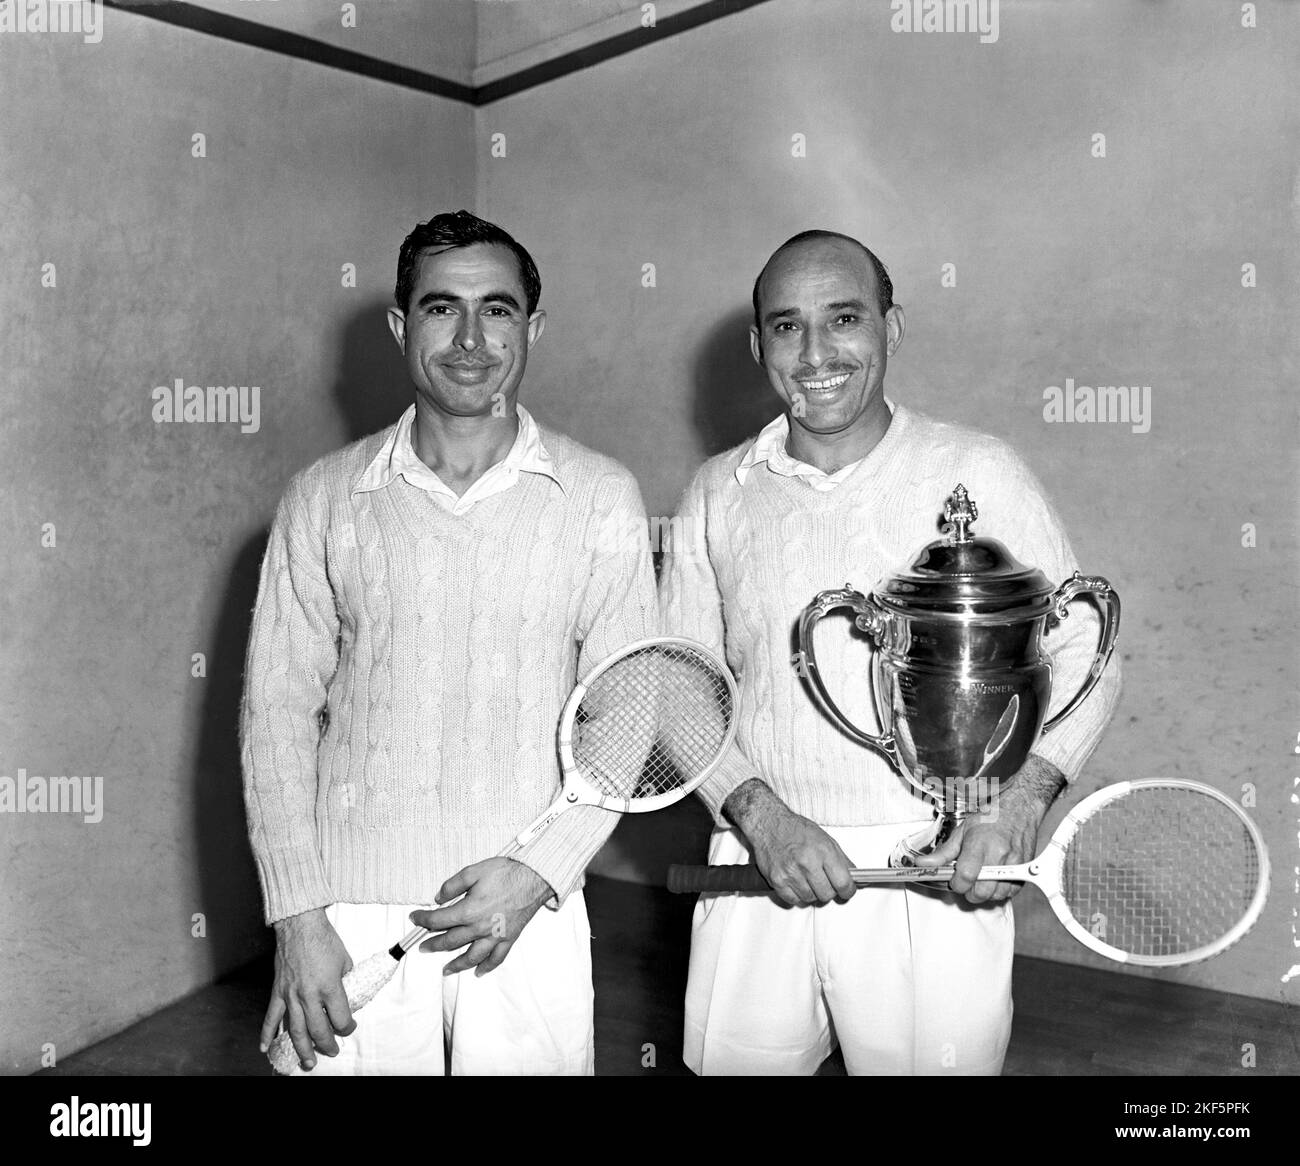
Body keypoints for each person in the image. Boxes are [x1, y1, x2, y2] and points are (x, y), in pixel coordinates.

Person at [659, 229, 1121, 1076]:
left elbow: (1089, 640)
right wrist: (760, 820)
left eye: (845, 318)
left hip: (940, 862)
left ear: (890, 328)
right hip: (763, 856)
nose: (817, 352)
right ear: (758, 344)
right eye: (788, 326)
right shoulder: (713, 493)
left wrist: (1012, 809)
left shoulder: (980, 469)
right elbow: (679, 685)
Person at [240, 210, 656, 1075]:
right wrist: (298, 917)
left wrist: (539, 870)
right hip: (348, 917)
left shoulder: (602, 496)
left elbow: (628, 712)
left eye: (497, 310)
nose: (470, 339)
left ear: (532, 329)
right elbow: (274, 714)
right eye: (441, 309)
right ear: (401, 326)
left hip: (524, 914)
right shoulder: (320, 499)